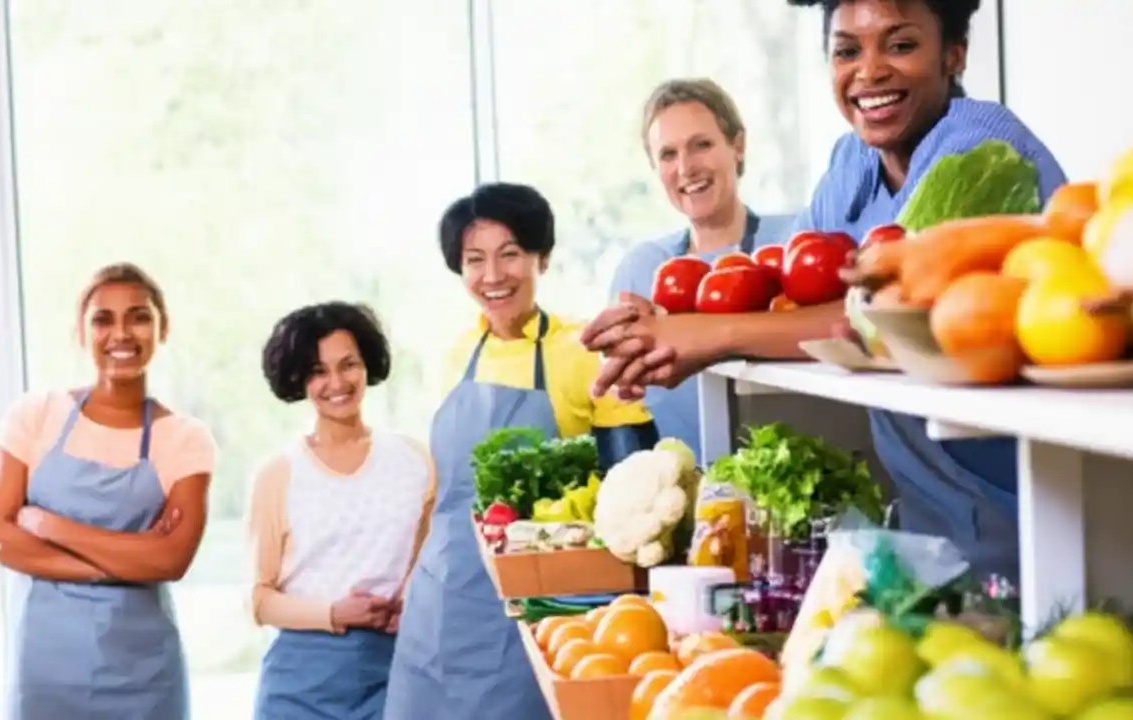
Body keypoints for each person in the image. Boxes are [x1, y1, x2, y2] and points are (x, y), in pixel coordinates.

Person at [581, 0, 1067, 582]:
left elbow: (883, 319)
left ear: (954, 53)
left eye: (901, 44)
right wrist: (669, 315)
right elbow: (789, 295)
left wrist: (707, 333)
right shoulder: (854, 160)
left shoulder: (980, 146)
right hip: (930, 517)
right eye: (846, 51)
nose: (869, 71)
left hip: (1036, 512)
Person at [383, 182, 659, 720]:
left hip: (544, 606)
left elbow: (631, 486)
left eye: (510, 254)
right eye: (474, 260)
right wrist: (409, 577)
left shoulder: (585, 350)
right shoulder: (457, 354)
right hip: (443, 598)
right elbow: (442, 490)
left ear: (543, 258)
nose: (493, 276)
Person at [0, 262, 217, 719]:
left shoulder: (185, 438)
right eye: (102, 319)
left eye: (138, 316)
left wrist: (51, 526)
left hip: (145, 674)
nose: (121, 333)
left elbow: (171, 560)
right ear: (81, 331)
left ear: (162, 327)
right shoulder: (36, 415)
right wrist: (128, 560)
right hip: (47, 670)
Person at [249, 301, 434, 720]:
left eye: (348, 364)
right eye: (318, 371)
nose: (336, 382)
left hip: (395, 671)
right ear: (299, 380)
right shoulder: (278, 475)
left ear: (367, 364)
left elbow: (427, 560)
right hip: (300, 683)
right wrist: (333, 613)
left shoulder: (416, 461)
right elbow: (259, 599)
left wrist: (408, 601)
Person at [610, 78, 795, 462]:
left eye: (702, 145)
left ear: (738, 146)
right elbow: (625, 403)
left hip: (788, 475)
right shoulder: (642, 269)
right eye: (667, 154)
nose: (686, 168)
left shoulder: (791, 244)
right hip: (690, 492)